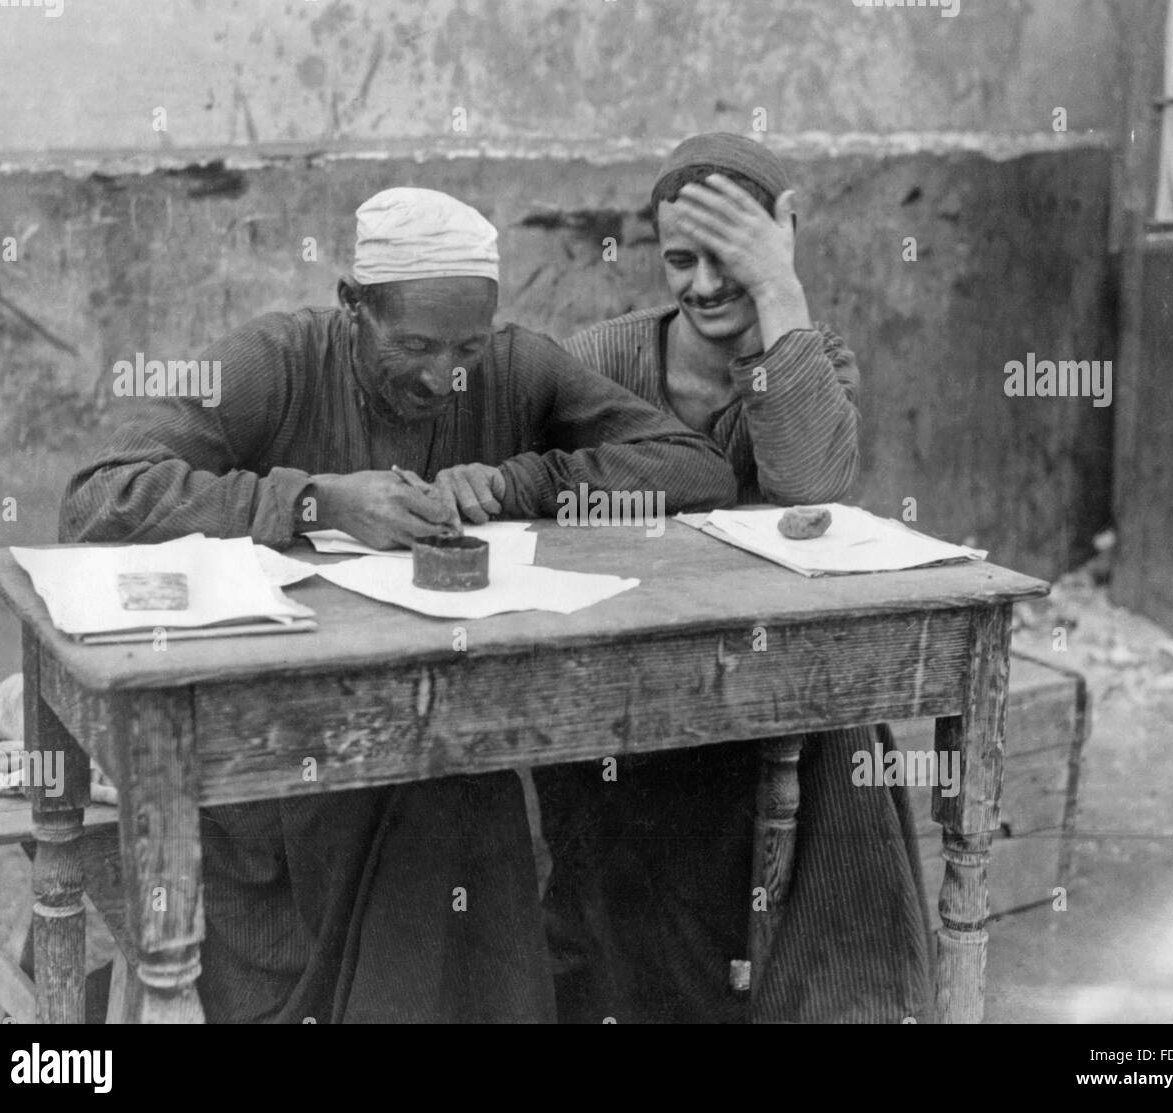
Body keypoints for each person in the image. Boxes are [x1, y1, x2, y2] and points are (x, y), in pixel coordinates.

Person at [60, 186, 737, 1023]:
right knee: (433, 801)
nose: (444, 375)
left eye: (467, 346)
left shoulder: (518, 366)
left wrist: (525, 479)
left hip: (440, 734)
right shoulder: (275, 362)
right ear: (352, 308)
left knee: (463, 793)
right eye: (413, 344)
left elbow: (695, 467)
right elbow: (101, 498)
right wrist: (314, 501)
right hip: (271, 759)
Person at [534, 134, 934, 1024]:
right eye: (682, 259)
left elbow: (813, 485)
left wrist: (778, 288)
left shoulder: (813, 365)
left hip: (771, 686)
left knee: (837, 757)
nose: (707, 285)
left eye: (732, 260)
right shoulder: (603, 359)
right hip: (627, 678)